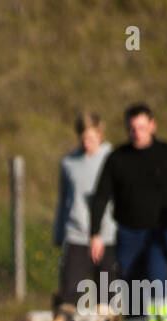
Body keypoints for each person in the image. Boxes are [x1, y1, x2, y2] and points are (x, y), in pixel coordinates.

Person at [89, 103, 167, 321]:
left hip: (159, 231)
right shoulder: (117, 158)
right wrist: (95, 233)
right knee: (132, 289)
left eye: (141, 127)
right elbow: (100, 197)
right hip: (128, 233)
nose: (137, 133)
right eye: (132, 128)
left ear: (152, 125)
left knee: (158, 281)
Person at [53, 111, 117, 308]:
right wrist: (58, 235)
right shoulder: (69, 163)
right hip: (76, 236)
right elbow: (63, 200)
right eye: (82, 139)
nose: (86, 143)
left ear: (100, 135)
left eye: (90, 138)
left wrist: (100, 234)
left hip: (107, 237)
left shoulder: (113, 159)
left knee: (106, 297)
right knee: (70, 295)